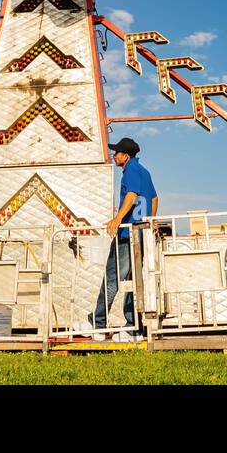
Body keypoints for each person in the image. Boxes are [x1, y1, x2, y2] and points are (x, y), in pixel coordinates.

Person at [89, 137, 157, 340]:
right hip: (141, 233)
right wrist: (149, 223)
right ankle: (133, 326)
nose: (114, 155)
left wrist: (117, 219)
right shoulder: (144, 171)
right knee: (132, 280)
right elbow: (154, 199)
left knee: (113, 277)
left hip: (127, 234)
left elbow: (132, 195)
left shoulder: (131, 171)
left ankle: (98, 323)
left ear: (125, 156)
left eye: (117, 153)